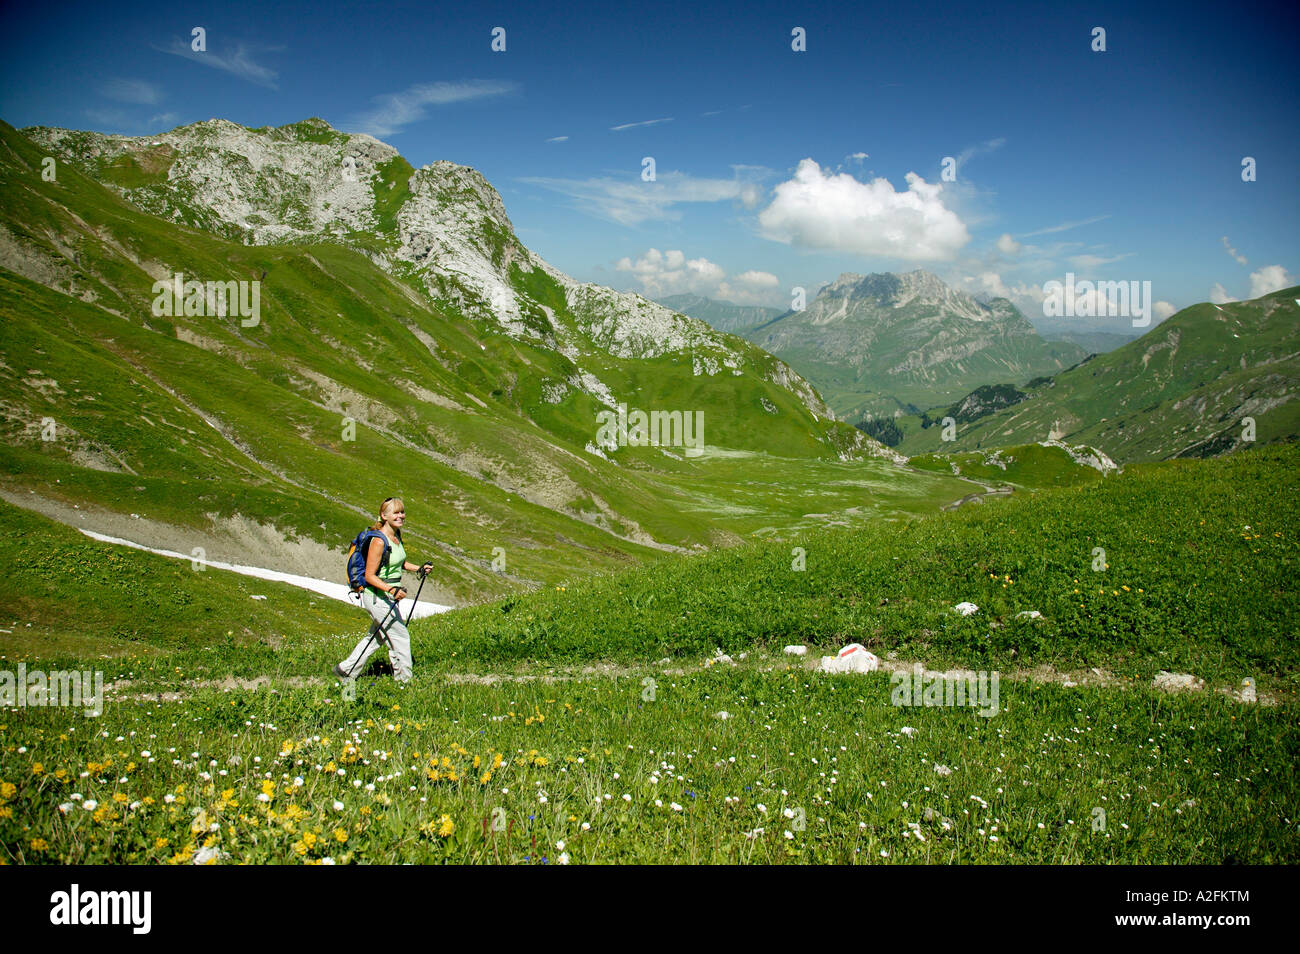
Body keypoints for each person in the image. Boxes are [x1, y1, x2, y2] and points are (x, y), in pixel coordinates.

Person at [335, 497, 433, 683]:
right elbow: (370, 575)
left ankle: (345, 669)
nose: (400, 516)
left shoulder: (396, 537)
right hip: (376, 596)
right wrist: (391, 589)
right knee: (400, 635)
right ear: (383, 515)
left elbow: (397, 562)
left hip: (386, 596)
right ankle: (405, 681)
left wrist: (418, 568)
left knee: (377, 637)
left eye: (402, 512)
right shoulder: (379, 541)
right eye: (395, 512)